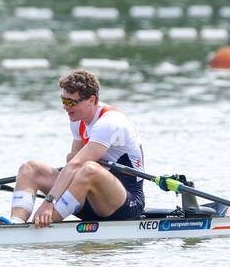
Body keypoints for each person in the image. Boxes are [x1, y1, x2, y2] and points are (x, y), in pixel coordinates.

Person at [9, 68, 145, 227]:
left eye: (72, 102)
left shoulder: (110, 122)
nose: (66, 107)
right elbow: (72, 161)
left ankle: (44, 220)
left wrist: (49, 201)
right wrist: (75, 162)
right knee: (30, 168)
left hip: (125, 203)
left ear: (91, 100)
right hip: (87, 198)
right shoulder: (77, 119)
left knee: (89, 169)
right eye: (64, 100)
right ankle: (15, 224)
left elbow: (75, 163)